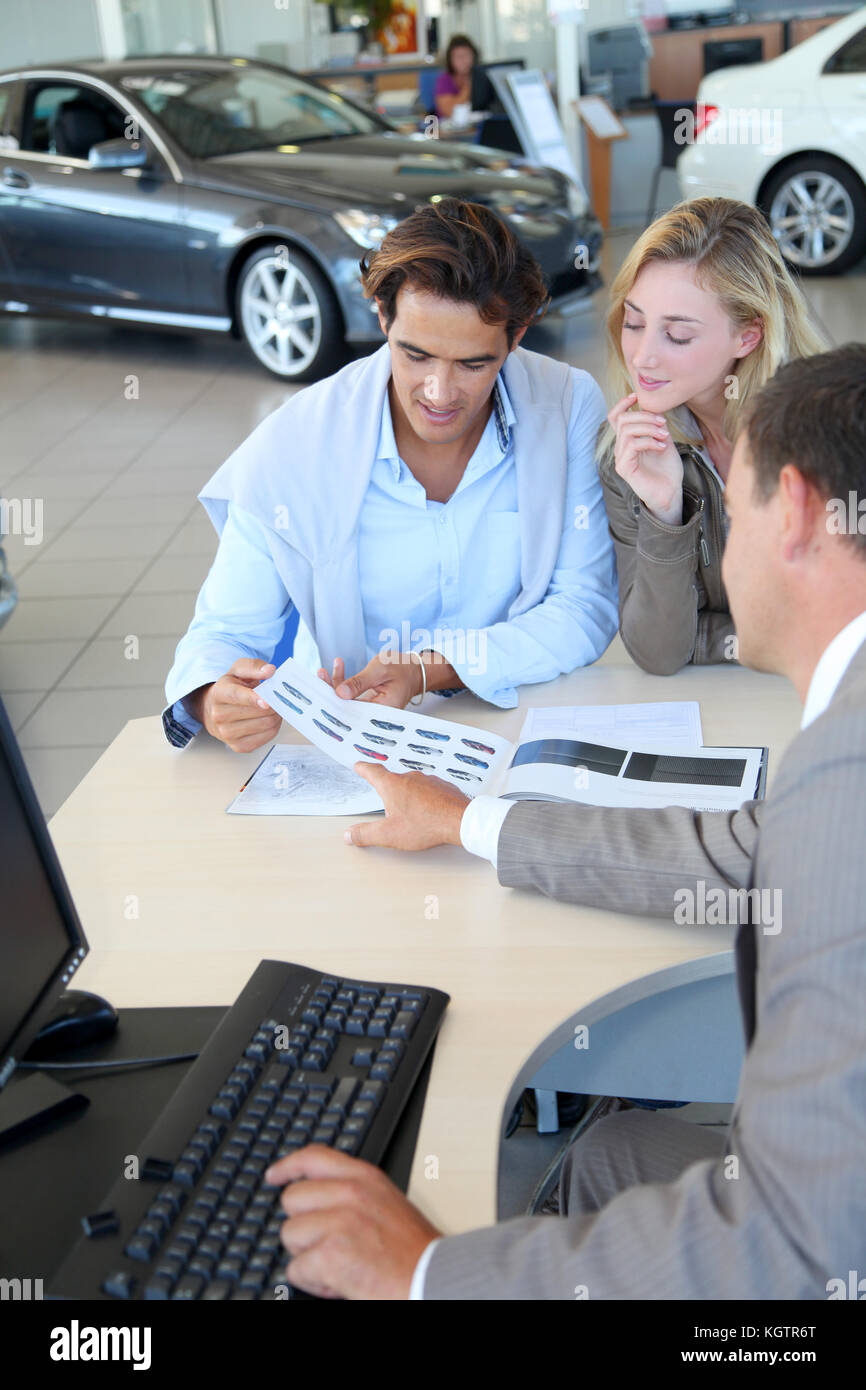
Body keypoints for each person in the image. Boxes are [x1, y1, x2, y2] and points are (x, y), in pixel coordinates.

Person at [264, 344, 866, 1299]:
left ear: (791, 511)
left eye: (733, 511)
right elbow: (744, 851)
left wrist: (424, 1272)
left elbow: (793, 1250)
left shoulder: (849, 765)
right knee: (611, 1150)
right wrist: (473, 824)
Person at [162, 198, 618, 753]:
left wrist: (428, 671)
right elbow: (222, 635)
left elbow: (583, 607)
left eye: (473, 364)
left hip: (516, 727)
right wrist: (212, 699)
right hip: (348, 746)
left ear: (517, 336)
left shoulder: (565, 405)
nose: (440, 393)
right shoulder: (294, 442)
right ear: (383, 317)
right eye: (416, 355)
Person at [598, 196, 825, 675]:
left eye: (677, 335)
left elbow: (834, 624)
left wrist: (708, 637)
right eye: (634, 322)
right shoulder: (629, 451)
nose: (641, 357)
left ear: (747, 336)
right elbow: (659, 652)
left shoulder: (826, 431)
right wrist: (664, 512)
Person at [433, 34, 496, 120]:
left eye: (467, 55)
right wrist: (469, 87)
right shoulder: (444, 80)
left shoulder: (483, 76)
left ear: (474, 56)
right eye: (458, 57)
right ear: (450, 59)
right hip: (450, 129)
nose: (463, 61)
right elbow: (450, 111)